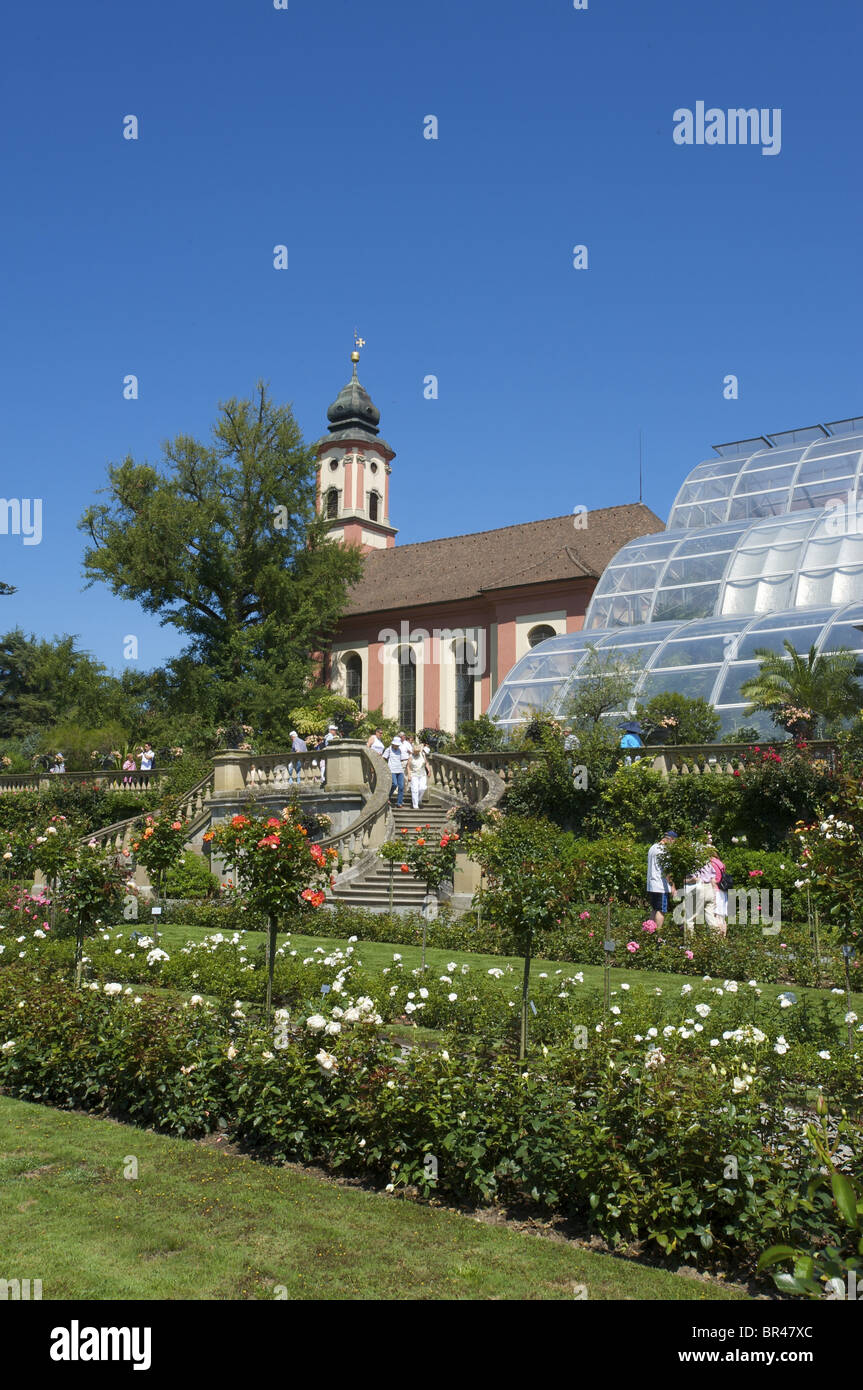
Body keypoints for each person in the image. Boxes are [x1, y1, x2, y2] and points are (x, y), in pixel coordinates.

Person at [646, 830, 677, 930]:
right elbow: (667, 871)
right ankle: (658, 936)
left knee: (654, 910)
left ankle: (649, 932)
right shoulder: (664, 851)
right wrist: (672, 886)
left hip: (651, 884)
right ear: (671, 839)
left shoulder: (653, 847)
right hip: (661, 886)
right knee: (661, 911)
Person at [407, 743, 429, 810]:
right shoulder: (411, 756)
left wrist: (429, 770)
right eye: (415, 751)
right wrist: (409, 775)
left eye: (417, 751)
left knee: (423, 788)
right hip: (414, 775)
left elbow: (426, 763)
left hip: (422, 774)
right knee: (415, 790)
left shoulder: (422, 754)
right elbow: (408, 766)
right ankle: (415, 805)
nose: (416, 752)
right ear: (413, 751)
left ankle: (419, 799)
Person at [386, 736, 405, 806]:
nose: (397, 746)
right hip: (392, 769)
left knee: (401, 787)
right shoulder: (388, 749)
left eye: (398, 745)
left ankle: (399, 803)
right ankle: (387, 796)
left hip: (400, 770)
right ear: (393, 744)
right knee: (394, 784)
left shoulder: (399, 750)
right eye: (396, 745)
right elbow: (384, 758)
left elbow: (401, 759)